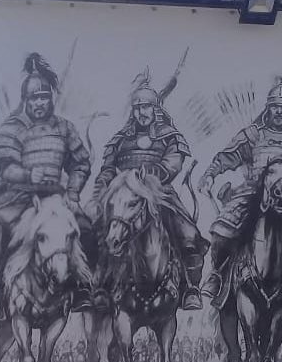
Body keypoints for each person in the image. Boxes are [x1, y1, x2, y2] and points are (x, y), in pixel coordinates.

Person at [0, 52, 92, 315]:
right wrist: (28, 175)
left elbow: (81, 162)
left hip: (55, 198)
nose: (40, 103)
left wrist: (73, 191)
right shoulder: (11, 128)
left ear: (51, 99)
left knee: (86, 228)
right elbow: (5, 168)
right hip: (16, 198)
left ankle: (84, 287)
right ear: (25, 100)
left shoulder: (64, 128)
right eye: (34, 98)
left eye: (44, 98)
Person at [89, 74, 208, 310]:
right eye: (137, 108)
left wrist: (151, 173)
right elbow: (107, 169)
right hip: (122, 193)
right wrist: (100, 191)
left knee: (188, 234)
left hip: (158, 193)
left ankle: (190, 288)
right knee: (95, 231)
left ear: (156, 109)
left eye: (146, 107)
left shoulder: (169, 136)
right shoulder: (120, 139)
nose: (141, 112)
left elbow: (172, 165)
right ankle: (98, 287)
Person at [198, 77, 282, 300]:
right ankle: (216, 275)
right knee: (222, 227)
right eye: (275, 106)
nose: (279, 111)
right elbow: (228, 156)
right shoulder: (253, 135)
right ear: (268, 108)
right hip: (252, 191)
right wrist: (210, 175)